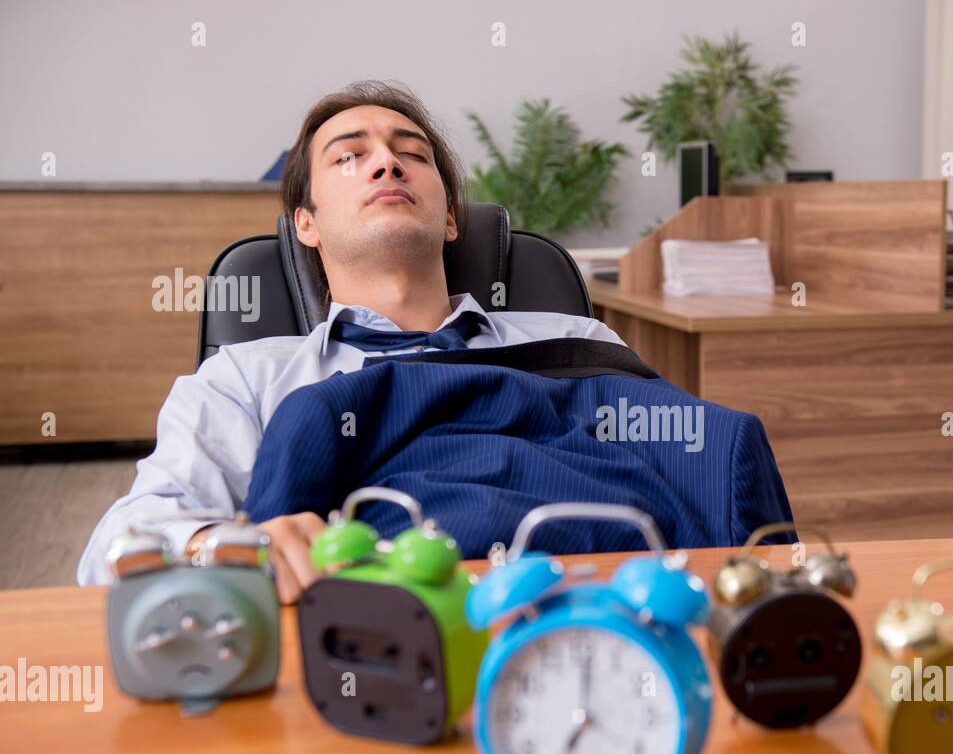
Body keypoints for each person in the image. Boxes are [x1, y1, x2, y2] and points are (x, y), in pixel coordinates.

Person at [78, 80, 624, 601]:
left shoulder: (579, 341)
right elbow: (115, 548)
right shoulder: (244, 381)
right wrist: (219, 546)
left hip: (597, 607)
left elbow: (688, 469)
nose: (388, 163)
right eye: (348, 157)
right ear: (306, 226)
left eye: (412, 154)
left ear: (452, 220)